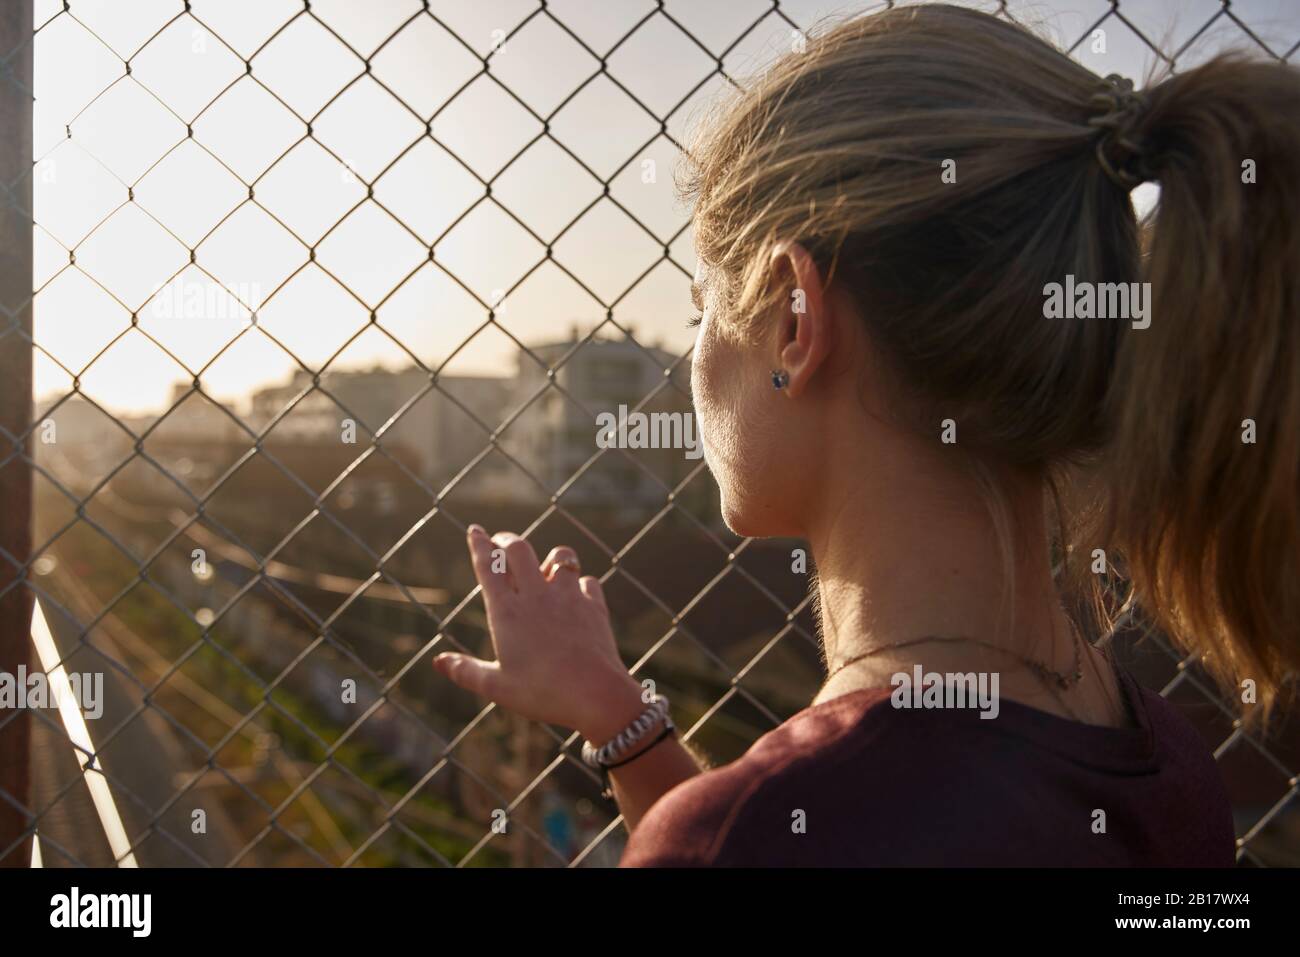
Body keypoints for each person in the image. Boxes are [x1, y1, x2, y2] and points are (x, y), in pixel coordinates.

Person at [433, 4, 1299, 866]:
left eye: (704, 312)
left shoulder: (758, 831)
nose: (693, 360)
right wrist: (623, 722)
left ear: (795, 320)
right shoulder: (1167, 763)